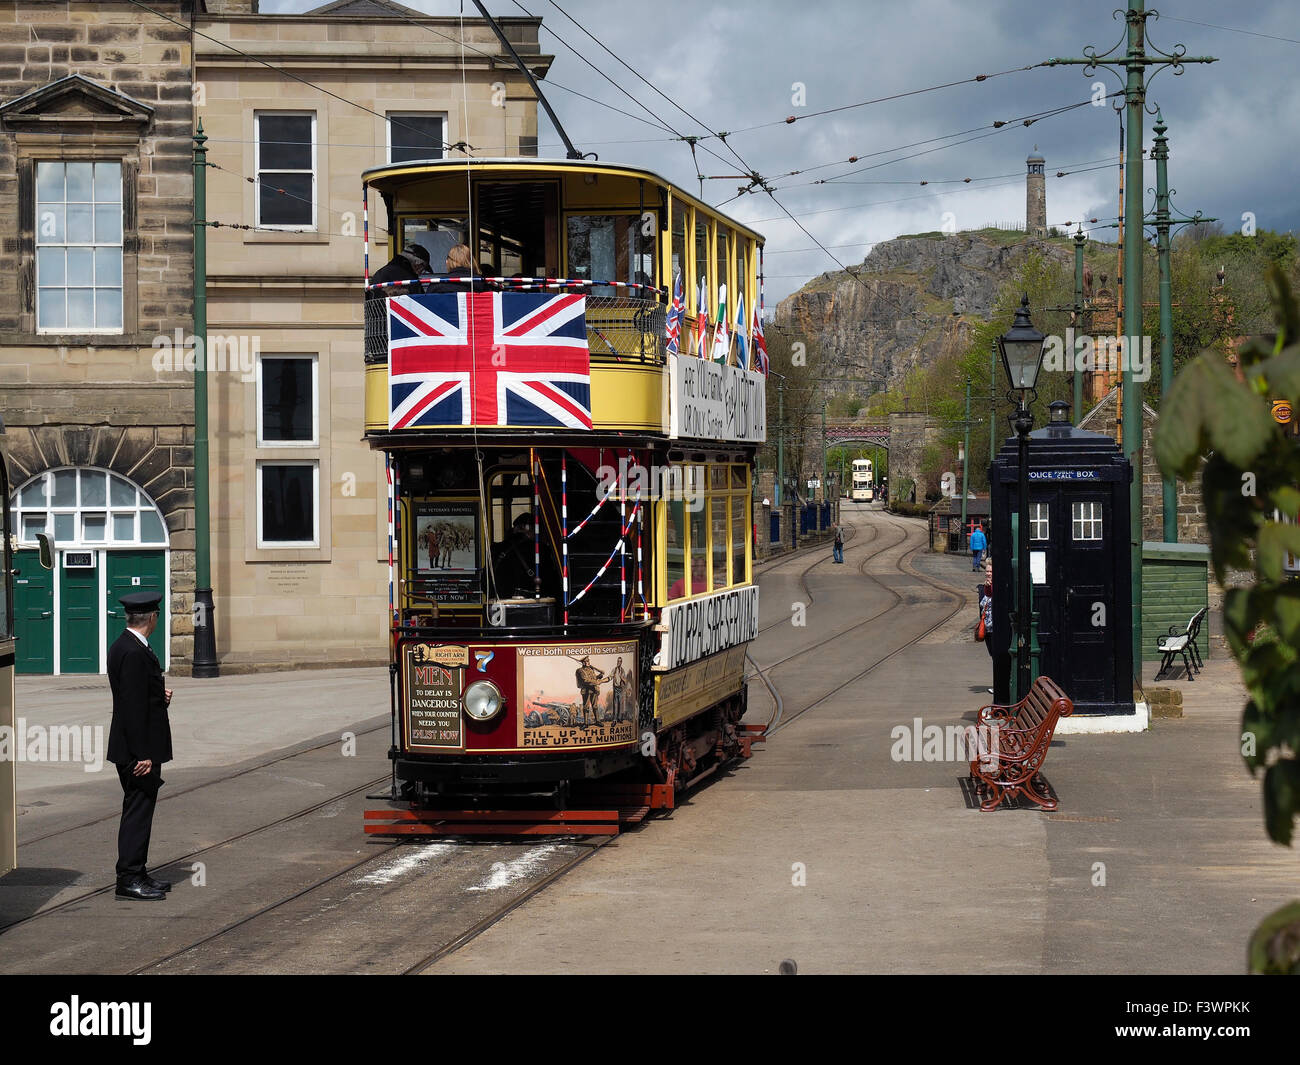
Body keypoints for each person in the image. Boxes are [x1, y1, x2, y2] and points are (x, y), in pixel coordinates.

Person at [106, 591, 173, 902]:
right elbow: (132, 707)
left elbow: (136, 695)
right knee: (137, 813)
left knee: (139, 810)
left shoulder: (126, 645)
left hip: (133, 746)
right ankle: (129, 877)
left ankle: (138, 872)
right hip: (136, 751)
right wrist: (142, 754)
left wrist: (160, 695)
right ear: (153, 618)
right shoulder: (134, 652)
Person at [368, 241, 432, 298]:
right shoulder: (407, 277)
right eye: (423, 268)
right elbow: (420, 299)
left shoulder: (385, 271)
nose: (420, 273)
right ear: (418, 264)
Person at [574, 656, 608, 728]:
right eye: (586, 661)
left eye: (588, 661)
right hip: (586, 690)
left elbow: (594, 678)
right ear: (583, 663)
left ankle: (597, 721)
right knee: (586, 707)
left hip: (594, 689)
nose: (588, 662)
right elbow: (585, 680)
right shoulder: (580, 671)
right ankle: (585, 723)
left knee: (595, 706)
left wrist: (600, 675)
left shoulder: (591, 670)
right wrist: (597, 682)